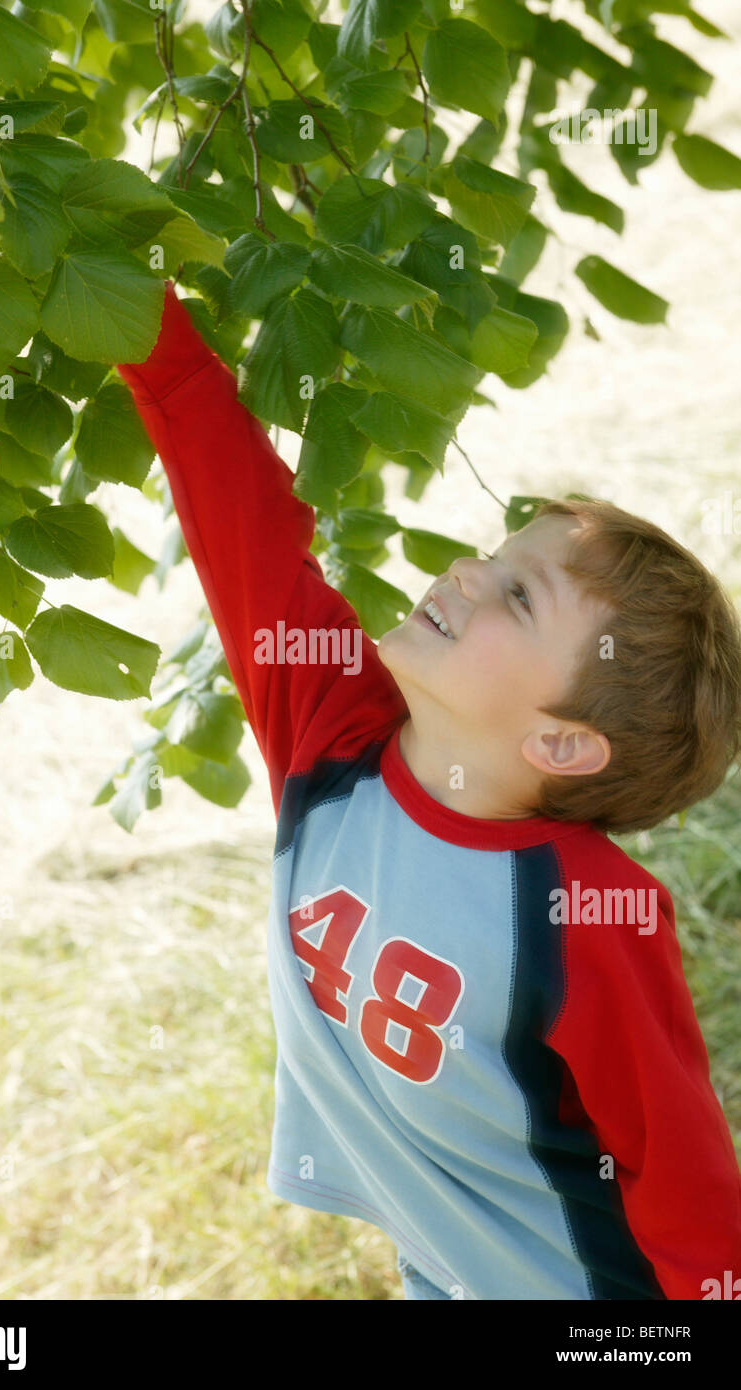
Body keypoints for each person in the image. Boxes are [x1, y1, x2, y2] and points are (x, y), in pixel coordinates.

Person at [116, 279, 741, 1300]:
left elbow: (682, 1183)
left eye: (515, 595)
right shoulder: (335, 740)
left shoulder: (577, 911)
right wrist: (146, 323)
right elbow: (245, 533)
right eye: (494, 558)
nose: (462, 571)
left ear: (561, 742)